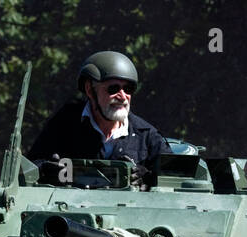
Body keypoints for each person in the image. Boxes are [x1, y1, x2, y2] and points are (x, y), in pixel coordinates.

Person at [28, 51, 169, 188]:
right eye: (113, 89)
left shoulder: (146, 135)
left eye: (128, 89)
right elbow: (29, 166)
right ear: (90, 90)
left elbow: (177, 177)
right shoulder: (64, 124)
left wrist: (148, 178)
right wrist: (46, 171)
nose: (122, 96)